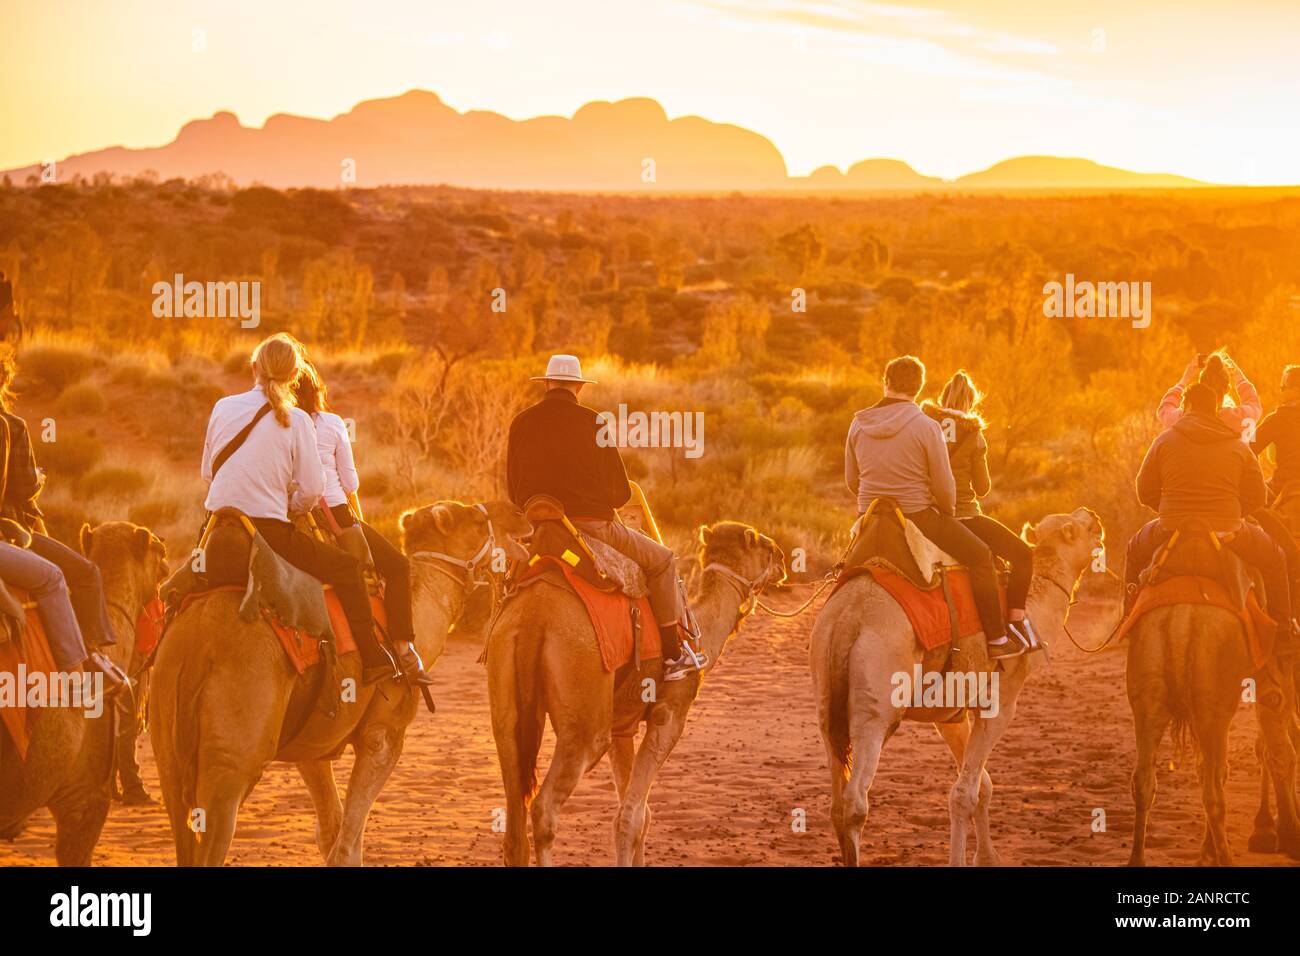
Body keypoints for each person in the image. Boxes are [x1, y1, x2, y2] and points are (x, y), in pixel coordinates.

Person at [200, 333, 393, 685]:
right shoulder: (300, 421)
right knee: (347, 569)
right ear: (295, 375)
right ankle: (374, 658)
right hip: (268, 533)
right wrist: (284, 502)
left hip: (216, 529)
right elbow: (311, 491)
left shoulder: (222, 407)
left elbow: (208, 474)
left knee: (178, 590)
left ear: (254, 368)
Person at [506, 354, 701, 680]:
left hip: (538, 529)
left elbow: (514, 494)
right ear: (579, 386)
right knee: (663, 561)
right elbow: (620, 495)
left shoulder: (521, 422)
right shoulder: (592, 421)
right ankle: (672, 656)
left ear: (547, 383)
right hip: (593, 528)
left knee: (506, 581)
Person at [845, 356, 1022, 658]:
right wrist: (946, 512)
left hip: (870, 515)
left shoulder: (858, 423)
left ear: (885, 381)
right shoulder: (927, 427)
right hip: (918, 515)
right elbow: (944, 487)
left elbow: (851, 481)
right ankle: (996, 639)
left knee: (845, 570)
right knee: (980, 556)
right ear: (919, 387)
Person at [293, 359, 432, 685]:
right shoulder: (332, 423)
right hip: (336, 513)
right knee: (397, 567)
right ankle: (403, 647)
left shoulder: (279, 423)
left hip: (291, 516)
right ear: (318, 393)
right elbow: (351, 483)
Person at [0, 349, 127, 691]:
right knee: (79, 575)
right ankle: (85, 667)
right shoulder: (10, 426)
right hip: (13, 527)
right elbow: (25, 489)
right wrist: (39, 479)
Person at [1126, 382, 1294, 635]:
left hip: (1171, 528)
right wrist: (1235, 515)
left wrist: (1169, 511)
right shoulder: (1238, 444)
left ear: (1187, 407)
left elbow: (1144, 490)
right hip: (1228, 530)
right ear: (1215, 408)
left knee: (1133, 550)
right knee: (1276, 558)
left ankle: (1128, 617)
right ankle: (1283, 629)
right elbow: (1257, 496)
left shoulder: (1164, 440)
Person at [921, 370, 1037, 646]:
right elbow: (983, 488)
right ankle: (1014, 622)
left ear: (943, 396)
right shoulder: (974, 435)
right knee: (1022, 555)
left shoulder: (925, 424)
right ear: (970, 402)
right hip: (964, 515)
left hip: (929, 516)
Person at [1157, 351, 1261, 437]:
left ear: (1201, 387)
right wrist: (1238, 376)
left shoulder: (1184, 418)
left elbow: (1165, 410)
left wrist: (1184, 380)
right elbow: (1254, 404)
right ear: (1227, 389)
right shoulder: (1238, 418)